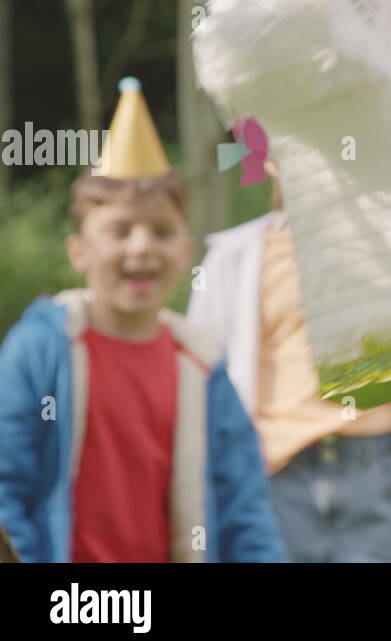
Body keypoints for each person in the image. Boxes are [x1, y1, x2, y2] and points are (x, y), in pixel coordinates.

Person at [0, 78, 284, 563]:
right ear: (79, 251)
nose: (141, 247)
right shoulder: (40, 348)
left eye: (160, 230)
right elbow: (8, 485)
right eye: (119, 230)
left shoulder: (201, 364)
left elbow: (243, 504)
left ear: (185, 250)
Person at [187, 163, 391, 563]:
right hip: (275, 472)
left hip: (371, 466)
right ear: (272, 158)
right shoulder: (233, 258)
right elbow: (202, 376)